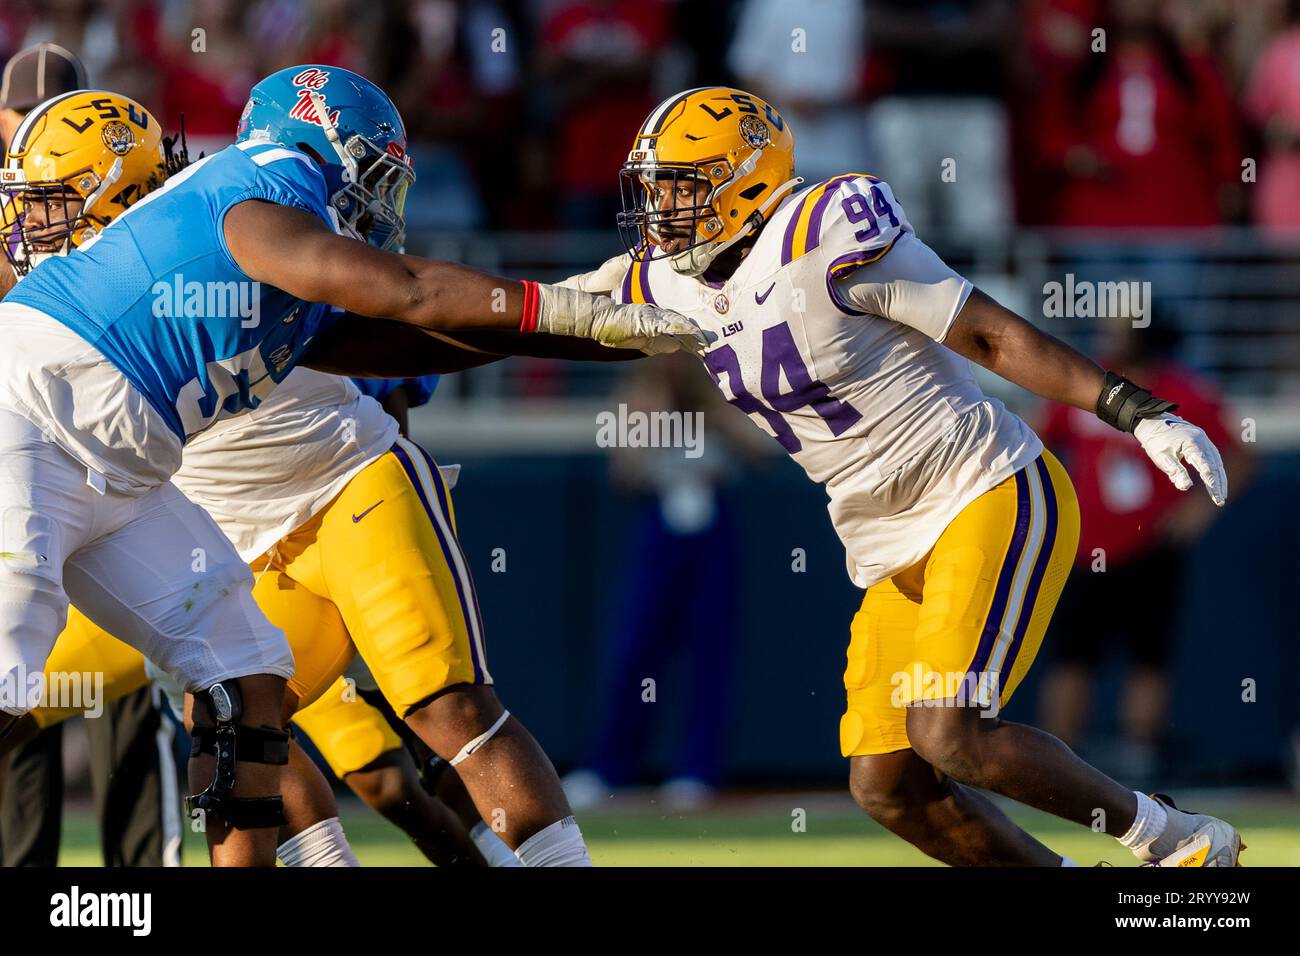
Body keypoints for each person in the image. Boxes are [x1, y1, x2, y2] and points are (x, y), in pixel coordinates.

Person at [0, 62, 702, 866]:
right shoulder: (261, 183)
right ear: (321, 143)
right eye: (369, 168)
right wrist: (563, 305)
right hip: (31, 423)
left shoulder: (268, 251)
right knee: (11, 667)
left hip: (130, 468)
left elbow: (391, 339)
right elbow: (405, 291)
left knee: (245, 671)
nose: (378, 195)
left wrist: (589, 327)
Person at [581, 85, 1240, 866]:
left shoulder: (824, 231)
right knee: (887, 784)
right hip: (889, 547)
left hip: (982, 486)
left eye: (682, 184)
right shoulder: (659, 281)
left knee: (947, 731)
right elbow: (516, 314)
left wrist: (1133, 408)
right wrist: (405, 314)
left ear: (746, 178)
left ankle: (1174, 838)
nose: (661, 207)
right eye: (656, 187)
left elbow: (987, 334)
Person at [0, 75, 178, 868]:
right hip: (37, 506)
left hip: (149, 514)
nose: (30, 213)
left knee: (169, 706)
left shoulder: (171, 267)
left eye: (49, 193)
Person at [1037, 315, 1251, 785]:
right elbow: (1038, 439)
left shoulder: (1186, 392)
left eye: (1119, 329)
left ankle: (1139, 757)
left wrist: (1199, 512)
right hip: (1084, 545)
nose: (1108, 337)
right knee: (1072, 655)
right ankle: (1055, 762)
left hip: (1151, 545)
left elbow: (1239, 451)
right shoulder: (1088, 383)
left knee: (1148, 657)